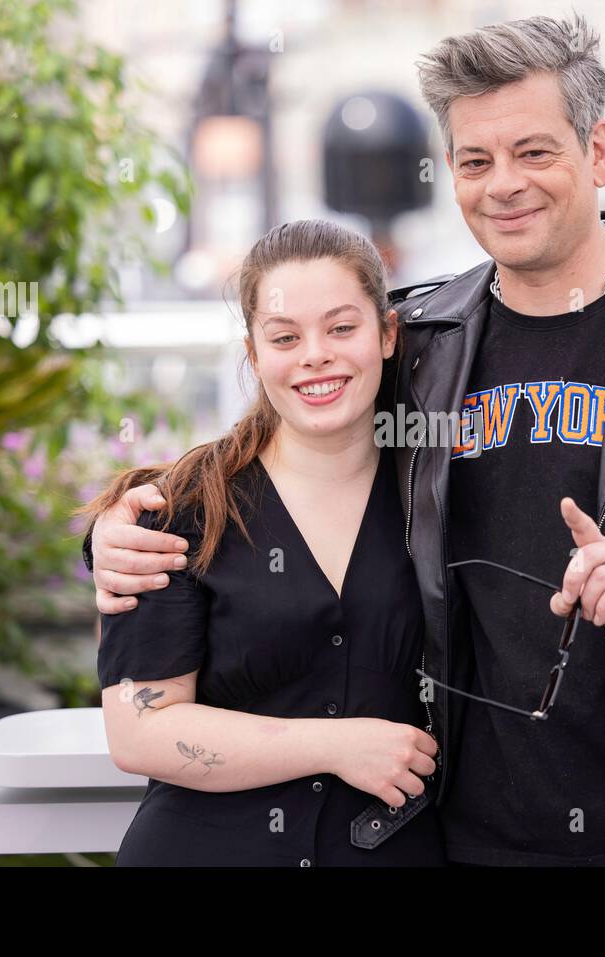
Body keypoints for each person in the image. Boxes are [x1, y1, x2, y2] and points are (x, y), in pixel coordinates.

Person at [87, 14, 605, 866]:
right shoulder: (422, 341)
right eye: (475, 160)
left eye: (534, 152)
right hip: (486, 838)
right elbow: (280, 440)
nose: (503, 185)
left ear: (597, 153)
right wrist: (120, 530)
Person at [84, 220, 445, 866]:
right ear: (253, 354)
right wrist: (336, 745)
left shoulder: (439, 492)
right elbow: (140, 730)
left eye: (342, 328)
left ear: (388, 334)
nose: (315, 355)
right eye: (285, 337)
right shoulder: (181, 511)